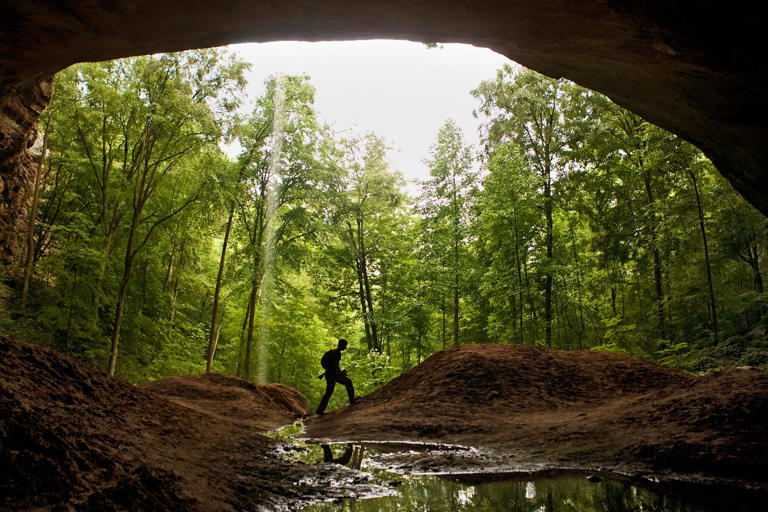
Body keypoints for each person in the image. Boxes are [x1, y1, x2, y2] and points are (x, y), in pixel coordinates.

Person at [316, 338, 355, 415]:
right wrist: (341, 373)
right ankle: (352, 401)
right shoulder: (337, 353)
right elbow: (335, 365)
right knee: (348, 381)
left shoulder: (332, 351)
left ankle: (320, 410)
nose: (345, 347)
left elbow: (333, 365)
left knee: (328, 392)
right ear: (341, 345)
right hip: (333, 374)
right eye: (345, 345)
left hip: (329, 374)